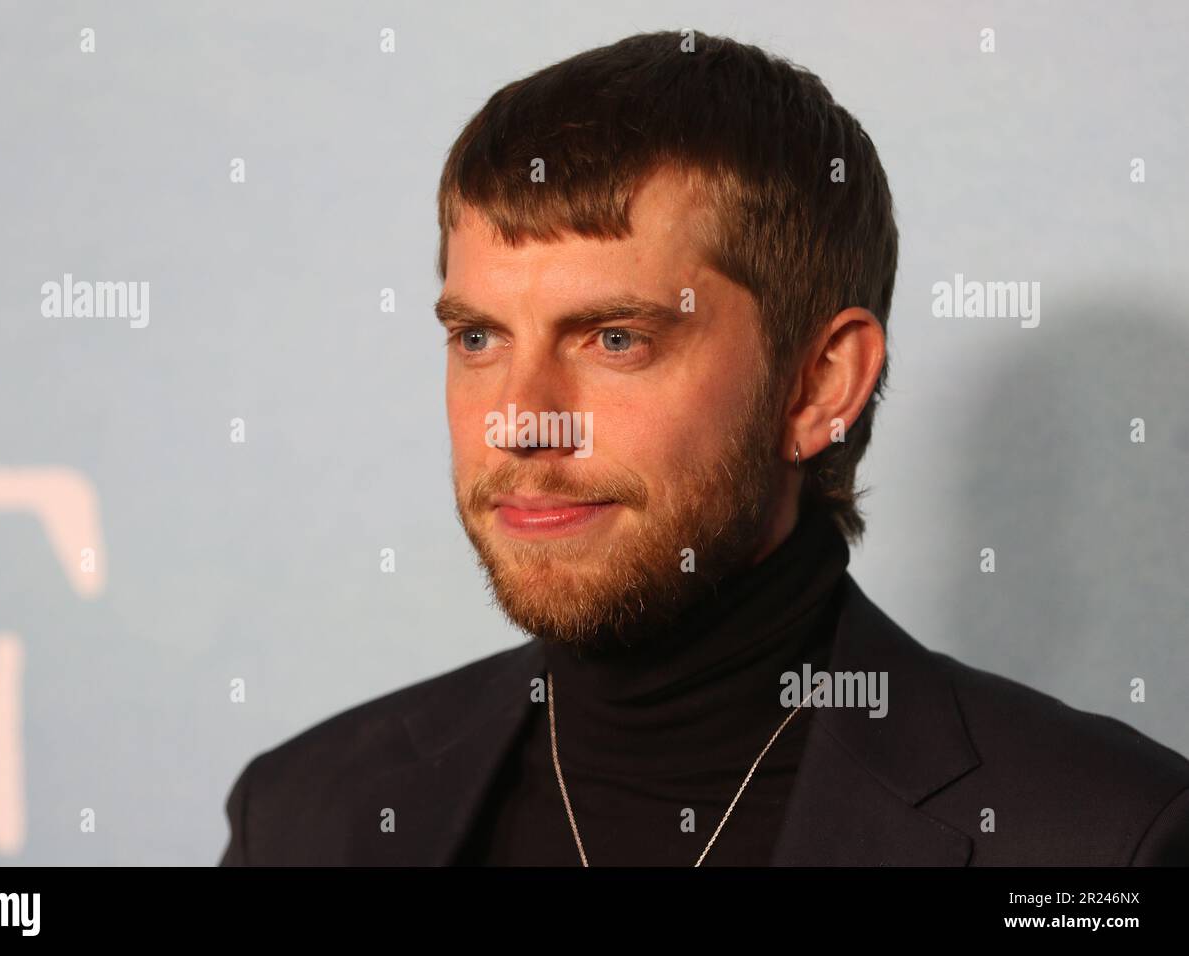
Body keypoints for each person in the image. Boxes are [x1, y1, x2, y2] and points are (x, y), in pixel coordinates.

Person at [219, 30, 1189, 866]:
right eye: (478, 337)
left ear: (818, 386)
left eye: (613, 338)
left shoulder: (1102, 838)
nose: (519, 420)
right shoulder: (306, 814)